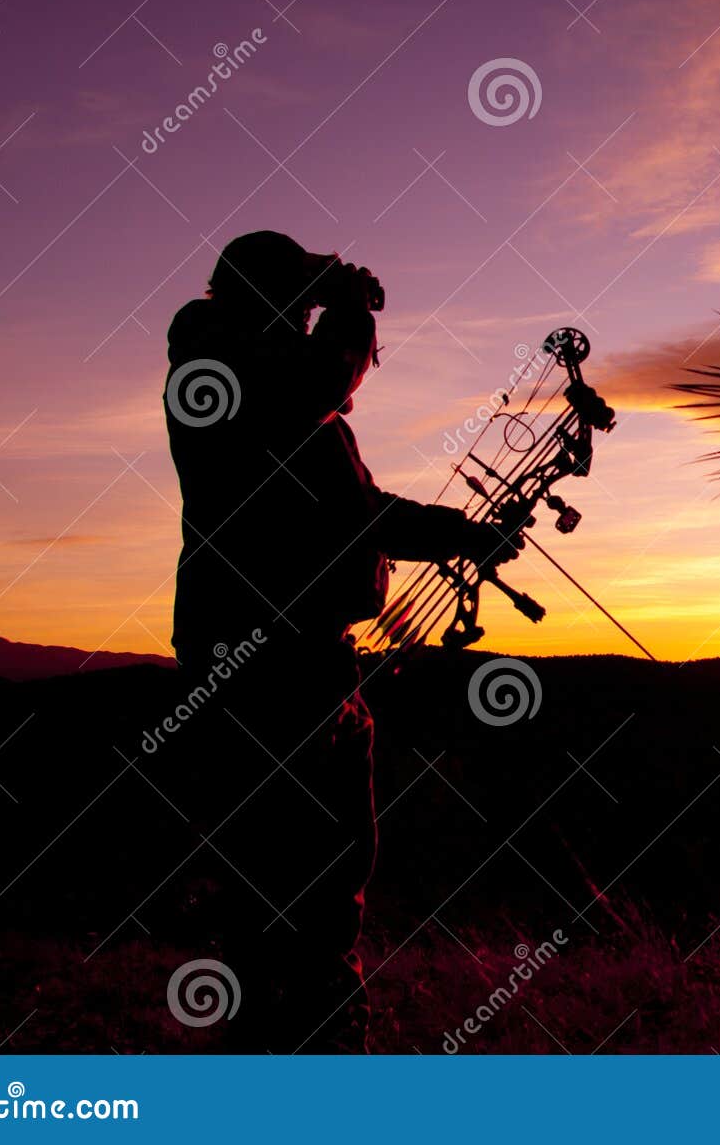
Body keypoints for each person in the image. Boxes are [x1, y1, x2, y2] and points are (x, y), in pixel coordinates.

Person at [163, 231, 515, 1052]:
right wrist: (349, 312)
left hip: (317, 659)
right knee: (275, 865)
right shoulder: (217, 357)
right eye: (298, 298)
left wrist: (462, 534)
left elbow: (360, 513)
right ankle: (273, 1035)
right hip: (257, 660)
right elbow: (312, 384)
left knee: (335, 858)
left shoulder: (290, 398)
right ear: (263, 296)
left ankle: (322, 1025)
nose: (308, 315)